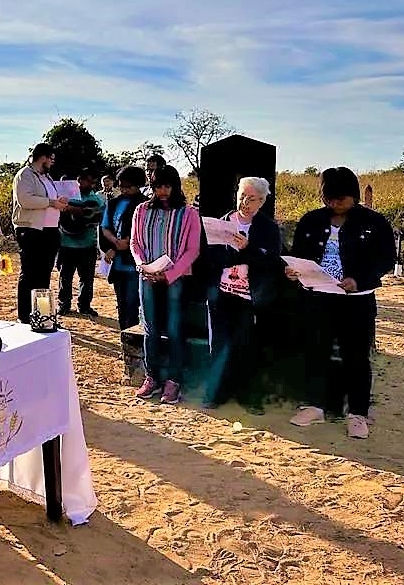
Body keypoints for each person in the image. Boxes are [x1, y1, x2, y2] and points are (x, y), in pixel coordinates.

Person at [287, 167, 395, 439]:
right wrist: (291, 269)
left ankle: (357, 413)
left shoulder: (374, 222)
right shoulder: (311, 220)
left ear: (354, 196)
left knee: (356, 356)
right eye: (328, 198)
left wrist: (359, 279)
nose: (334, 204)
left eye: (340, 199)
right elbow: (297, 254)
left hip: (355, 300)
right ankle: (314, 405)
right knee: (316, 351)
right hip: (318, 297)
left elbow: (385, 260)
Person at [202, 177, 283, 414]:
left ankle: (249, 396)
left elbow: (273, 261)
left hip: (251, 296)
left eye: (252, 198)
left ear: (262, 201)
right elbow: (211, 257)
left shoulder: (268, 227)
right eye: (242, 196)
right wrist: (235, 255)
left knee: (247, 346)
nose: (245, 202)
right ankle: (216, 392)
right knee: (218, 344)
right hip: (221, 292)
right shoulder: (222, 222)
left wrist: (248, 249)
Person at [130, 165, 201, 405]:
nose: (162, 191)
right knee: (150, 328)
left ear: (175, 186)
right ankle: (152, 377)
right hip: (148, 275)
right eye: (158, 186)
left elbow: (193, 250)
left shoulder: (189, 213)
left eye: (167, 186)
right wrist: (142, 265)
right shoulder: (141, 210)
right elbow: (135, 244)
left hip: (176, 277)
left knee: (174, 328)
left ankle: (174, 380)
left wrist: (170, 275)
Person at [12, 143, 70, 323]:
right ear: (43, 157)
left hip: (50, 231)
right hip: (31, 230)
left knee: (44, 274)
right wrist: (52, 203)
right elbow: (25, 200)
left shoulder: (47, 177)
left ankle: (42, 314)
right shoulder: (25, 175)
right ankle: (25, 316)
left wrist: (59, 202)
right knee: (30, 273)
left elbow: (49, 200)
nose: (52, 163)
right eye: (51, 159)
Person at [99, 166, 148, 330]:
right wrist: (114, 244)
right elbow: (104, 227)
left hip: (136, 264)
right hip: (117, 264)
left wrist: (126, 244)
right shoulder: (113, 203)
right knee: (122, 304)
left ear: (138, 185)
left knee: (133, 303)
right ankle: (124, 336)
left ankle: (132, 338)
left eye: (129, 186)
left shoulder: (145, 204)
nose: (125, 189)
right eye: (122, 186)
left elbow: (143, 231)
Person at [56, 168, 105, 316]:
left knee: (87, 278)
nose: (86, 183)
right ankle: (64, 304)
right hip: (66, 244)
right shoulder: (63, 197)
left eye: (90, 181)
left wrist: (68, 207)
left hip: (87, 245)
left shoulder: (96, 199)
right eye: (84, 180)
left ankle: (84, 305)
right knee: (65, 277)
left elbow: (92, 214)